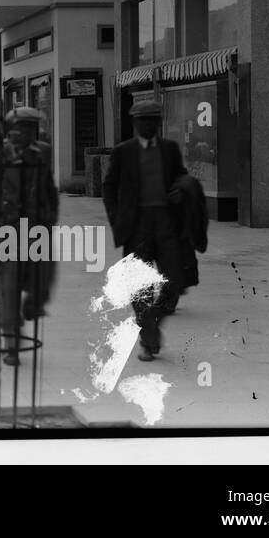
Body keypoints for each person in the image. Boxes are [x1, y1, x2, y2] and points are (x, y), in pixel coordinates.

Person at [0, 108, 58, 366]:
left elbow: (49, 189)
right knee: (8, 288)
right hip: (7, 230)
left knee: (42, 277)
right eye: (21, 127)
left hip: (36, 229)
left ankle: (31, 305)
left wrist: (50, 218)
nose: (27, 132)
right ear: (10, 130)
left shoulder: (41, 154)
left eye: (32, 128)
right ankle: (10, 343)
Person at [102, 99, 189, 362]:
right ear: (134, 123)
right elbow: (109, 187)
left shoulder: (170, 150)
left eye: (153, 119)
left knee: (174, 281)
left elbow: (180, 177)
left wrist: (180, 191)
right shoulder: (123, 152)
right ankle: (149, 339)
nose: (148, 124)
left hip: (165, 222)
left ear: (159, 123)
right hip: (136, 224)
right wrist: (118, 218)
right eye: (143, 120)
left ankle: (150, 318)